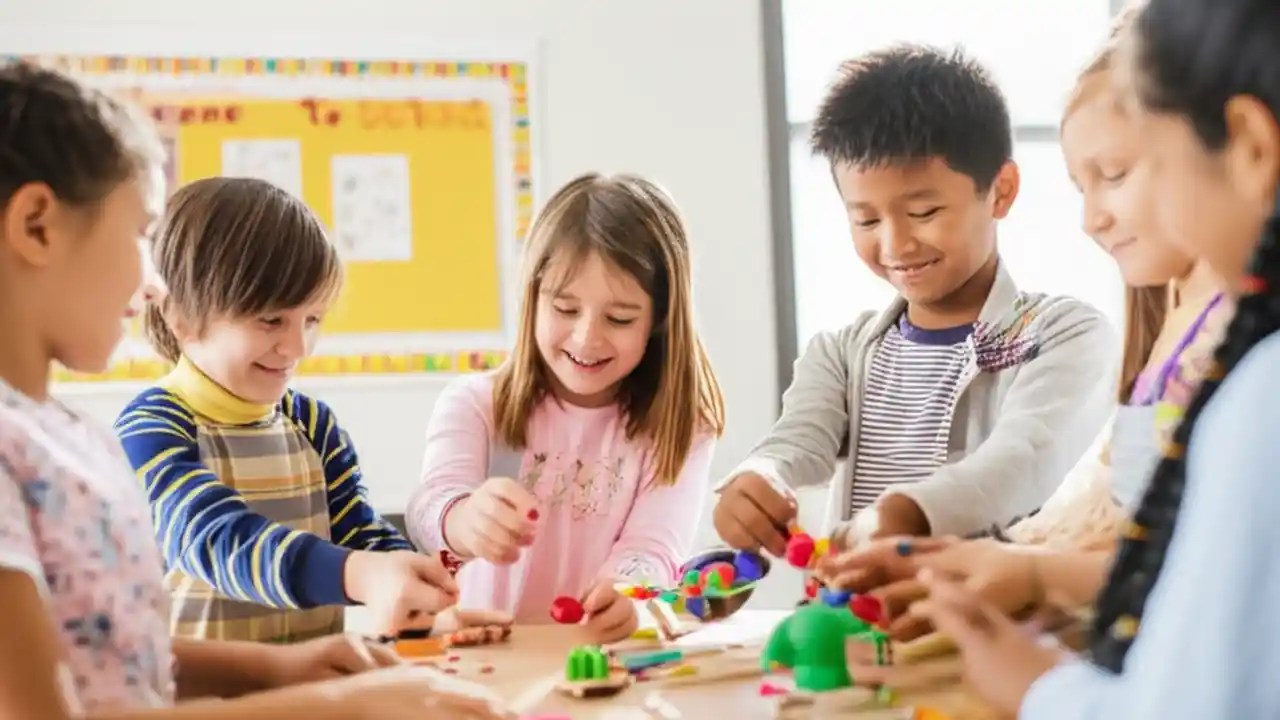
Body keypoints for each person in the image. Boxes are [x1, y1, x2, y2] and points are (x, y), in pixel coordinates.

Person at [0, 61, 510, 719]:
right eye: (139, 235)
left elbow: (114, 654)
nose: (156, 285)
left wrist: (282, 667)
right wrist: (336, 703)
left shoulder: (63, 435)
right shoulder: (58, 443)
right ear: (38, 225)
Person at [911, 1, 1280, 716]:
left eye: (1150, 163)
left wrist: (1036, 686)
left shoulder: (1261, 396)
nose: (1163, 211)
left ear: (1250, 147)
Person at [817, 10, 1233, 642]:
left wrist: (1022, 573)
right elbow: (1114, 531)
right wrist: (978, 570)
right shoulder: (1168, 315)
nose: (1092, 219)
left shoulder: (1079, 330)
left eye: (1114, 176)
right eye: (1080, 187)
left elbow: (1026, 462)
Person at [713, 45, 1116, 555]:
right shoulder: (839, 353)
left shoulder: (1063, 333)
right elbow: (796, 442)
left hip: (983, 624)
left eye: (924, 212)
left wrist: (901, 514)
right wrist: (759, 476)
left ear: (1001, 191)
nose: (895, 244)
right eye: (866, 219)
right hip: (857, 623)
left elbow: (1023, 459)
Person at [407, 173, 724, 642]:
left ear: (659, 320)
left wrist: (631, 589)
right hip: (482, 656)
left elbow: (655, 546)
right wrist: (463, 517)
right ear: (533, 299)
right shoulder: (475, 404)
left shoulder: (681, 426)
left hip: (600, 660)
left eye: (619, 318)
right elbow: (429, 509)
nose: (587, 337)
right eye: (565, 308)